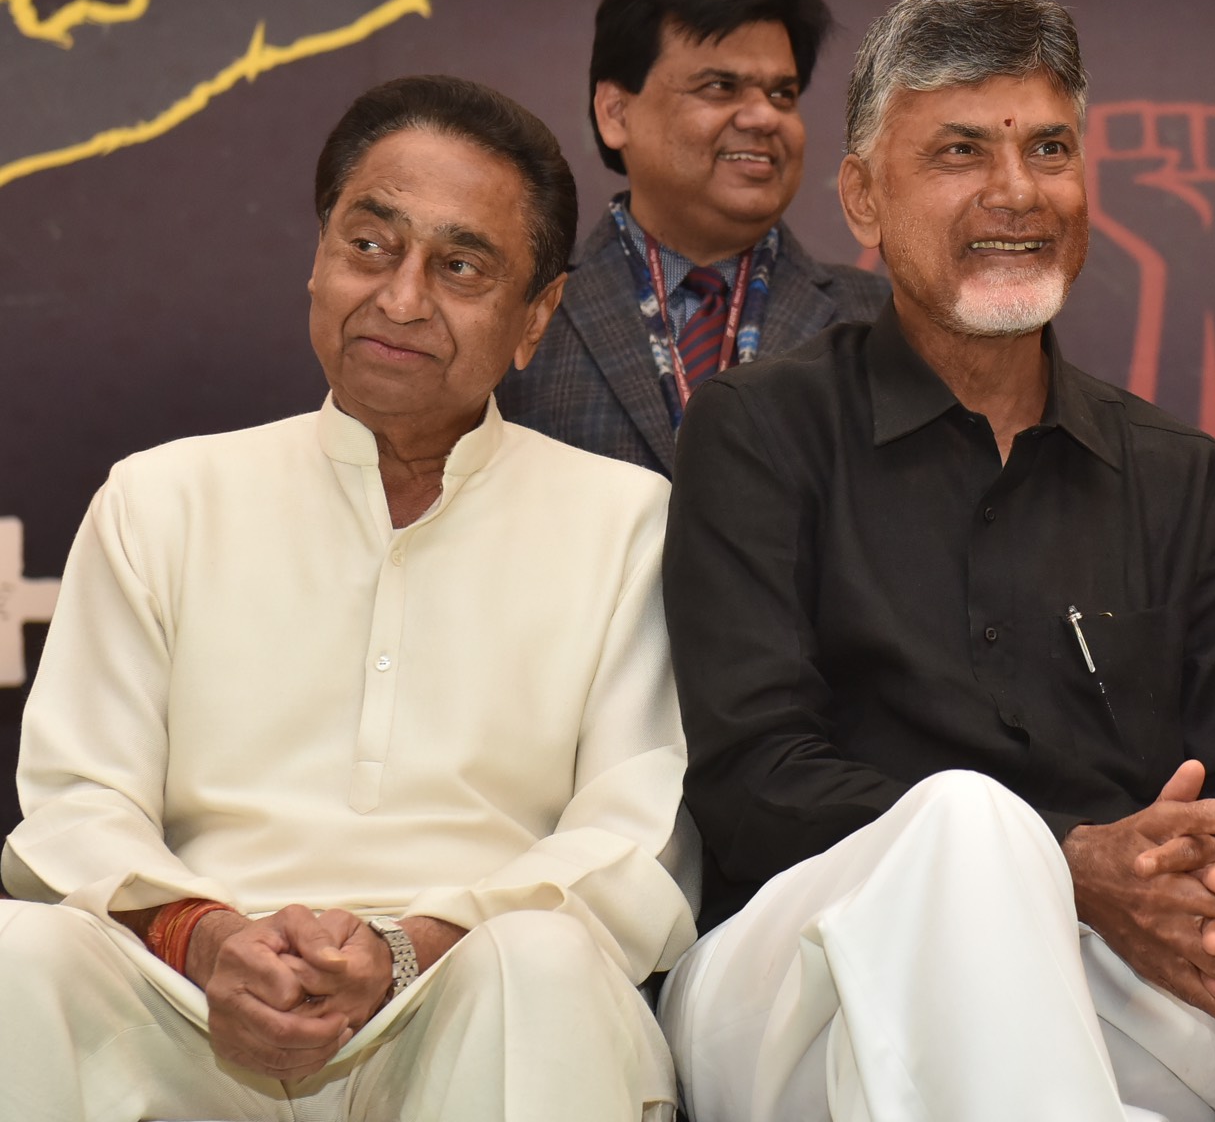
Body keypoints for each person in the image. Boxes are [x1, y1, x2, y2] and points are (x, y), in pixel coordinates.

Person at [657, 0, 1215, 1122]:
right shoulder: (759, 429)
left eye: (1050, 148)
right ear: (864, 197)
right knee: (968, 823)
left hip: (1122, 978)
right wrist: (1057, 863)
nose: (1015, 191)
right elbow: (753, 781)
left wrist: (1189, 889)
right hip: (800, 979)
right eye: (960, 150)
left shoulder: (1182, 474)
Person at [0, 74, 696, 1121]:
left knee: (545, 959)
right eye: (370, 246)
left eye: (460, 265)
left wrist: (405, 947)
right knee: (20, 951)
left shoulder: (627, 520)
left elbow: (634, 837)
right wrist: (213, 939)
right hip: (191, 1003)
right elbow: (77, 800)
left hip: (465, 1004)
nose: (402, 298)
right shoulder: (164, 495)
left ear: (534, 315)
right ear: (319, 260)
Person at [497, 0, 889, 474]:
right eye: (720, 87)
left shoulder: (886, 320)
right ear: (616, 112)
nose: (763, 118)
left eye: (782, 95)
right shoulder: (519, 311)